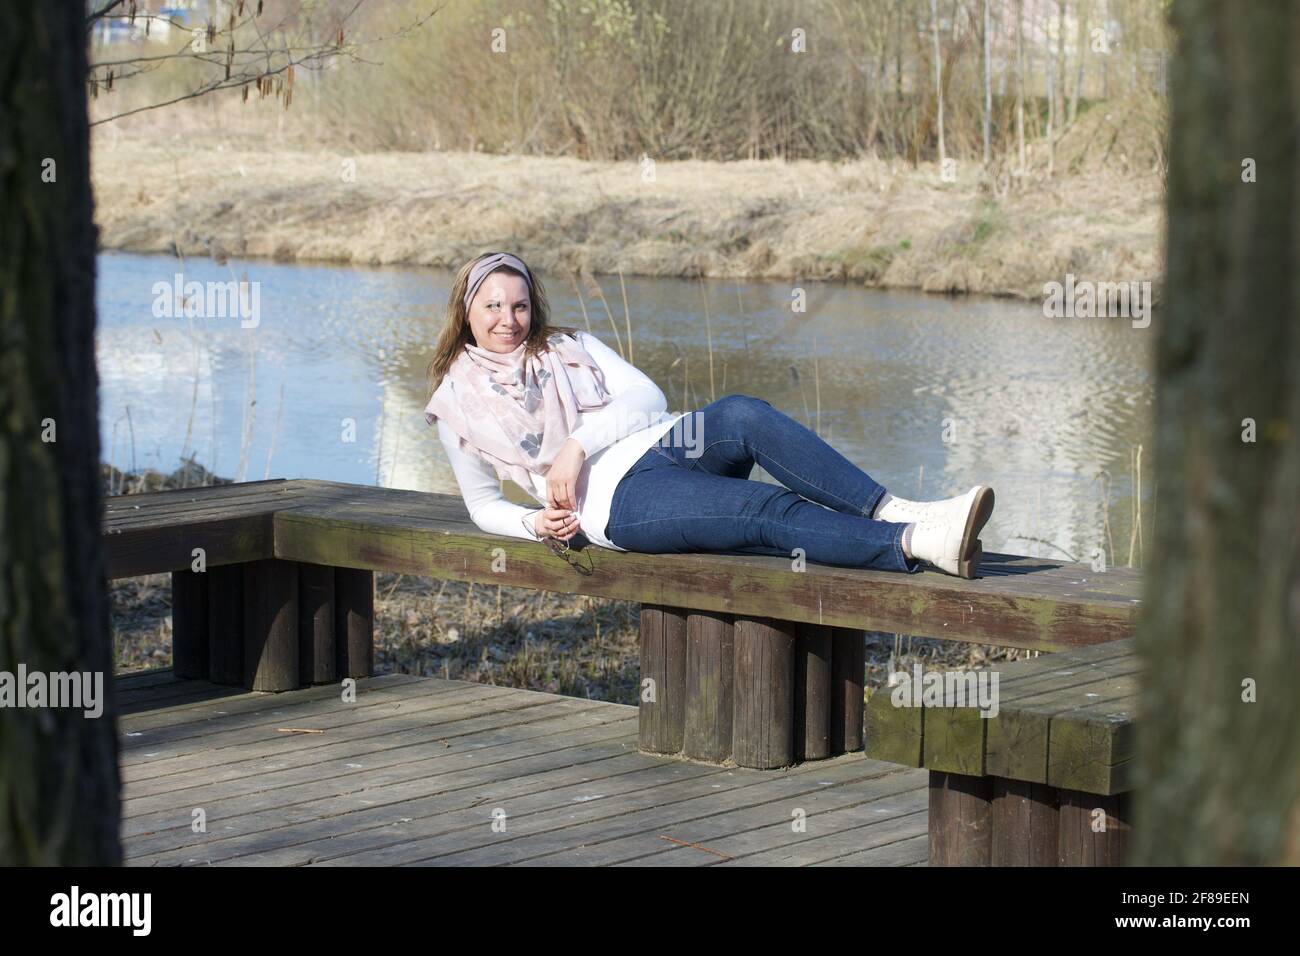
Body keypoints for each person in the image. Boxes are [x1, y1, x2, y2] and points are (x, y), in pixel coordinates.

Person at [425, 252, 994, 578]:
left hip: (667, 440)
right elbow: (482, 505)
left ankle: (903, 508)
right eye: (493, 305)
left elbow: (646, 397)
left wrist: (574, 445)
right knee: (761, 509)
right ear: (467, 310)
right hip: (615, 502)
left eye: (519, 304)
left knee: (743, 413)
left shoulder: (568, 344)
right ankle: (914, 542)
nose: (509, 318)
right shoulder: (459, 405)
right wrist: (533, 524)